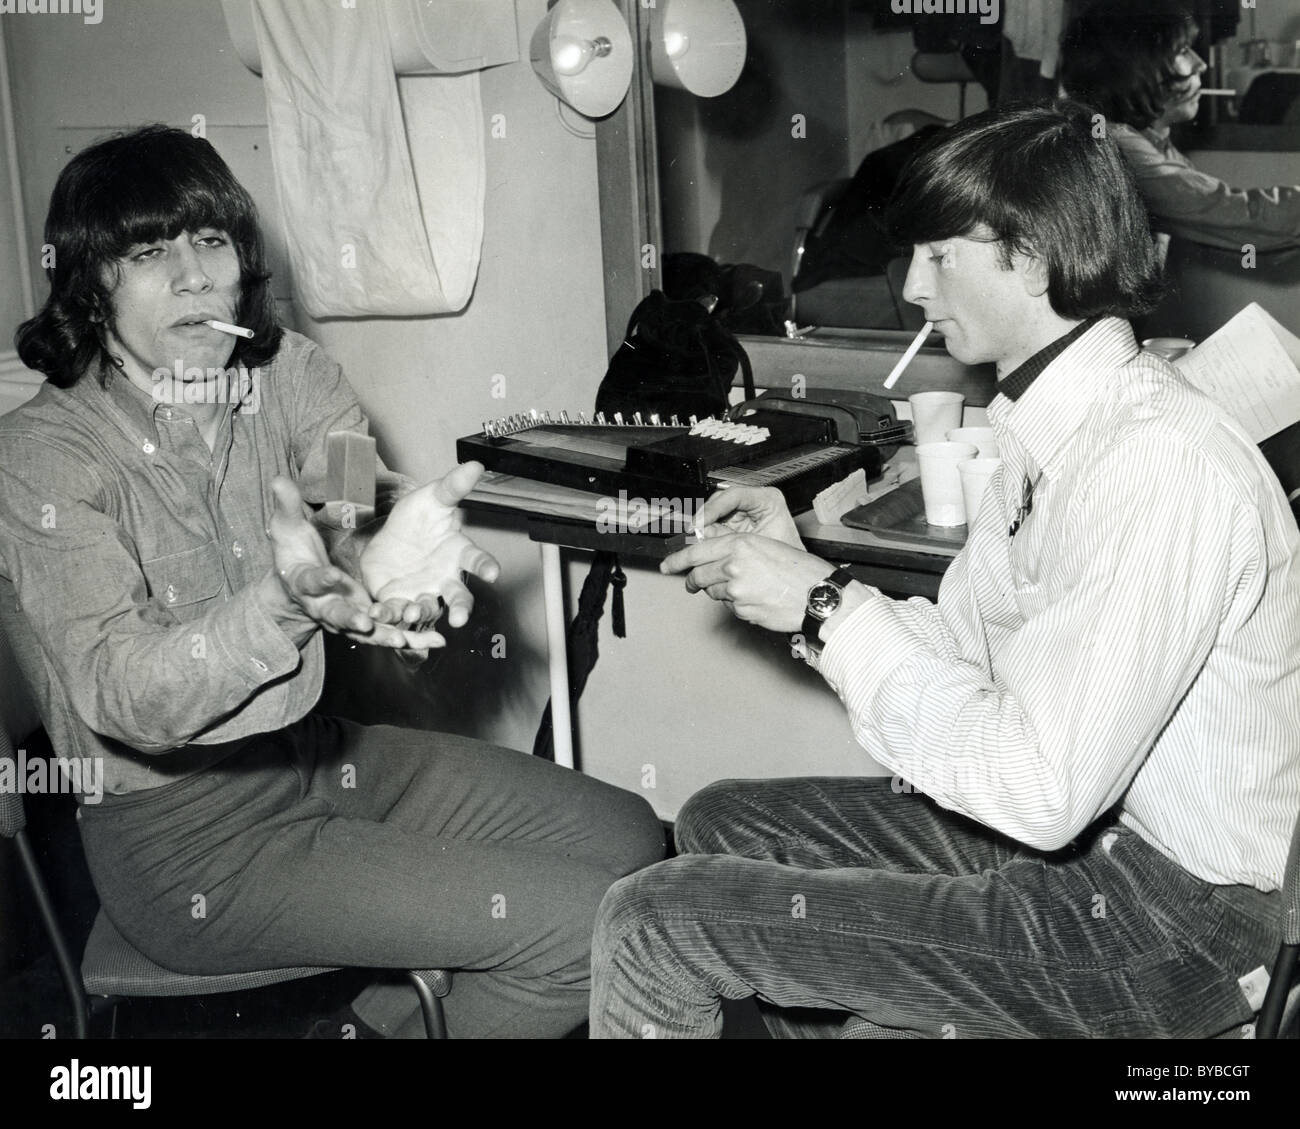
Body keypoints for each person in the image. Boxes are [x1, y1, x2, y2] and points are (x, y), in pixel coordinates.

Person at [588, 100, 1300, 1039]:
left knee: (652, 921)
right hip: (1092, 845)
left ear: (1033, 256)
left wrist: (826, 608)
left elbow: (1043, 793)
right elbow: (969, 653)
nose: (914, 286)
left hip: (1178, 920)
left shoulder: (1157, 463)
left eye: (939, 254)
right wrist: (809, 577)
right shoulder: (1045, 424)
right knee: (723, 821)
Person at [0, 126, 664, 1039]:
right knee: (594, 932)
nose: (193, 278)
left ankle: (368, 1027)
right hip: (182, 842)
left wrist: (374, 542)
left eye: (211, 241)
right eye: (148, 253)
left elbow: (344, 483)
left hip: (317, 756)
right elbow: (123, 692)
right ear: (89, 282)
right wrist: (281, 605)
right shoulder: (41, 457)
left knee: (631, 836)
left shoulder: (290, 373)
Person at [1061, 0, 1300, 254]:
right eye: (1183, 51)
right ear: (1137, 67)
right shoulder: (1116, 146)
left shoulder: (1150, 140)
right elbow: (1233, 212)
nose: (1201, 64)